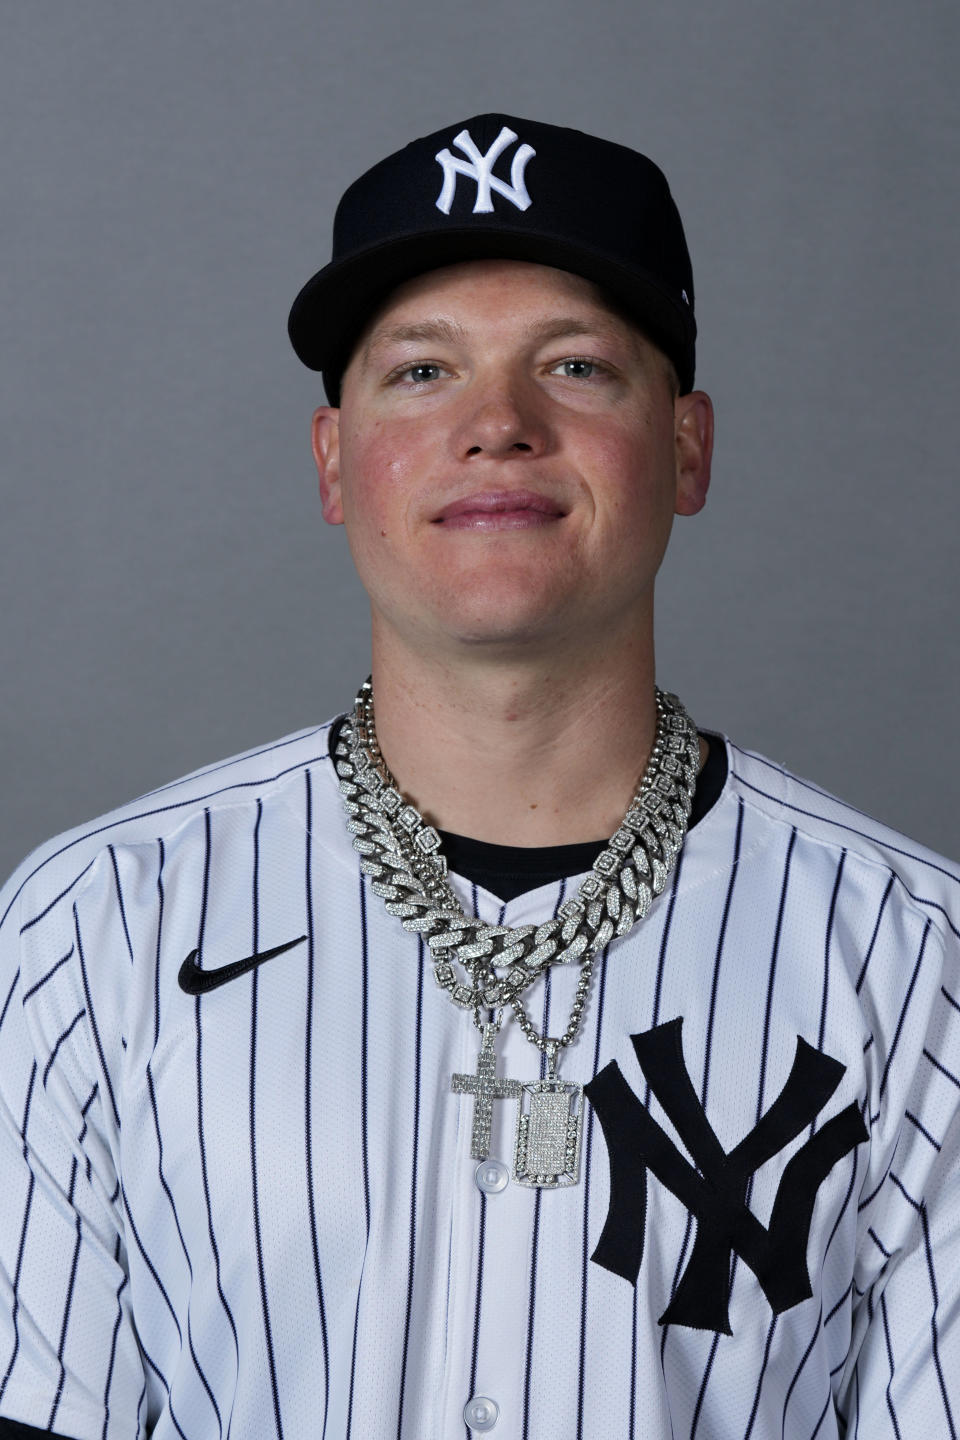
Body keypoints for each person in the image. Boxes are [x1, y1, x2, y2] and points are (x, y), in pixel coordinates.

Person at [1, 113, 957, 1440]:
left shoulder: (918, 962)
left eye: (573, 365)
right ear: (335, 460)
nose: (498, 425)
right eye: (421, 371)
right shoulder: (92, 933)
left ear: (687, 448)